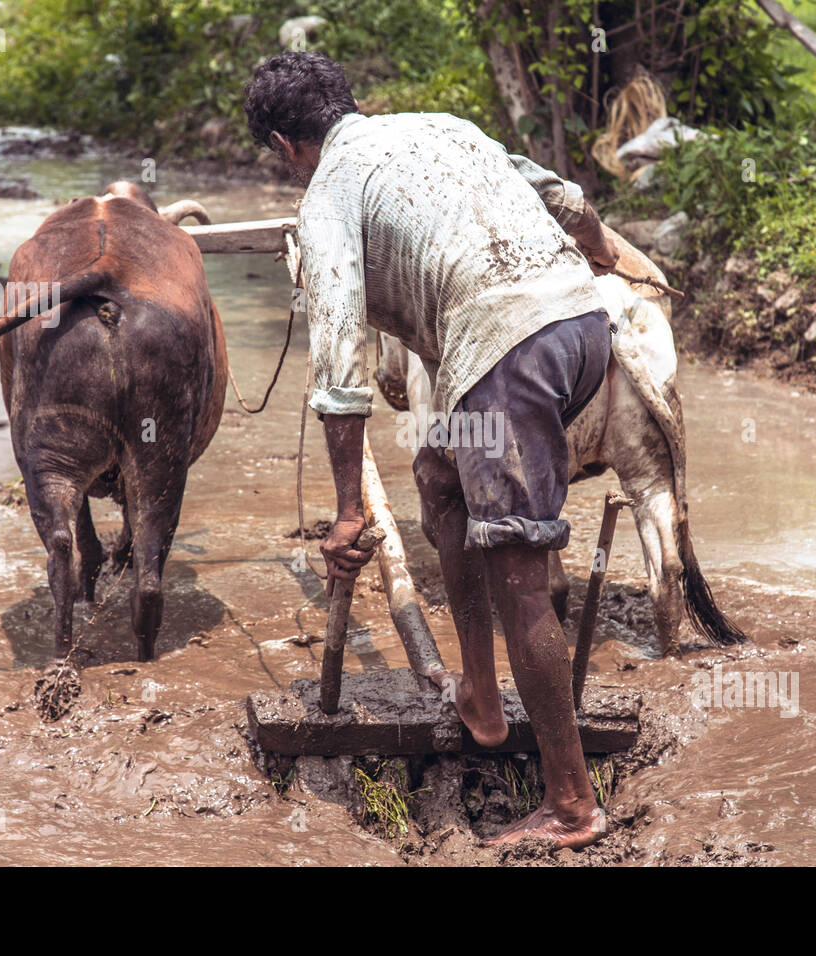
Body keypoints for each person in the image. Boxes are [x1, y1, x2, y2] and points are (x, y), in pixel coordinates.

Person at [243, 51, 620, 849]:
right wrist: (601, 254)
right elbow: (568, 198)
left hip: (507, 352)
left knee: (519, 569)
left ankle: (571, 804)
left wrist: (347, 512)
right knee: (439, 477)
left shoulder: (327, 196)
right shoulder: (442, 128)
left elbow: (341, 363)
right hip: (584, 330)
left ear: (284, 145)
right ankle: (479, 695)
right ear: (349, 104)